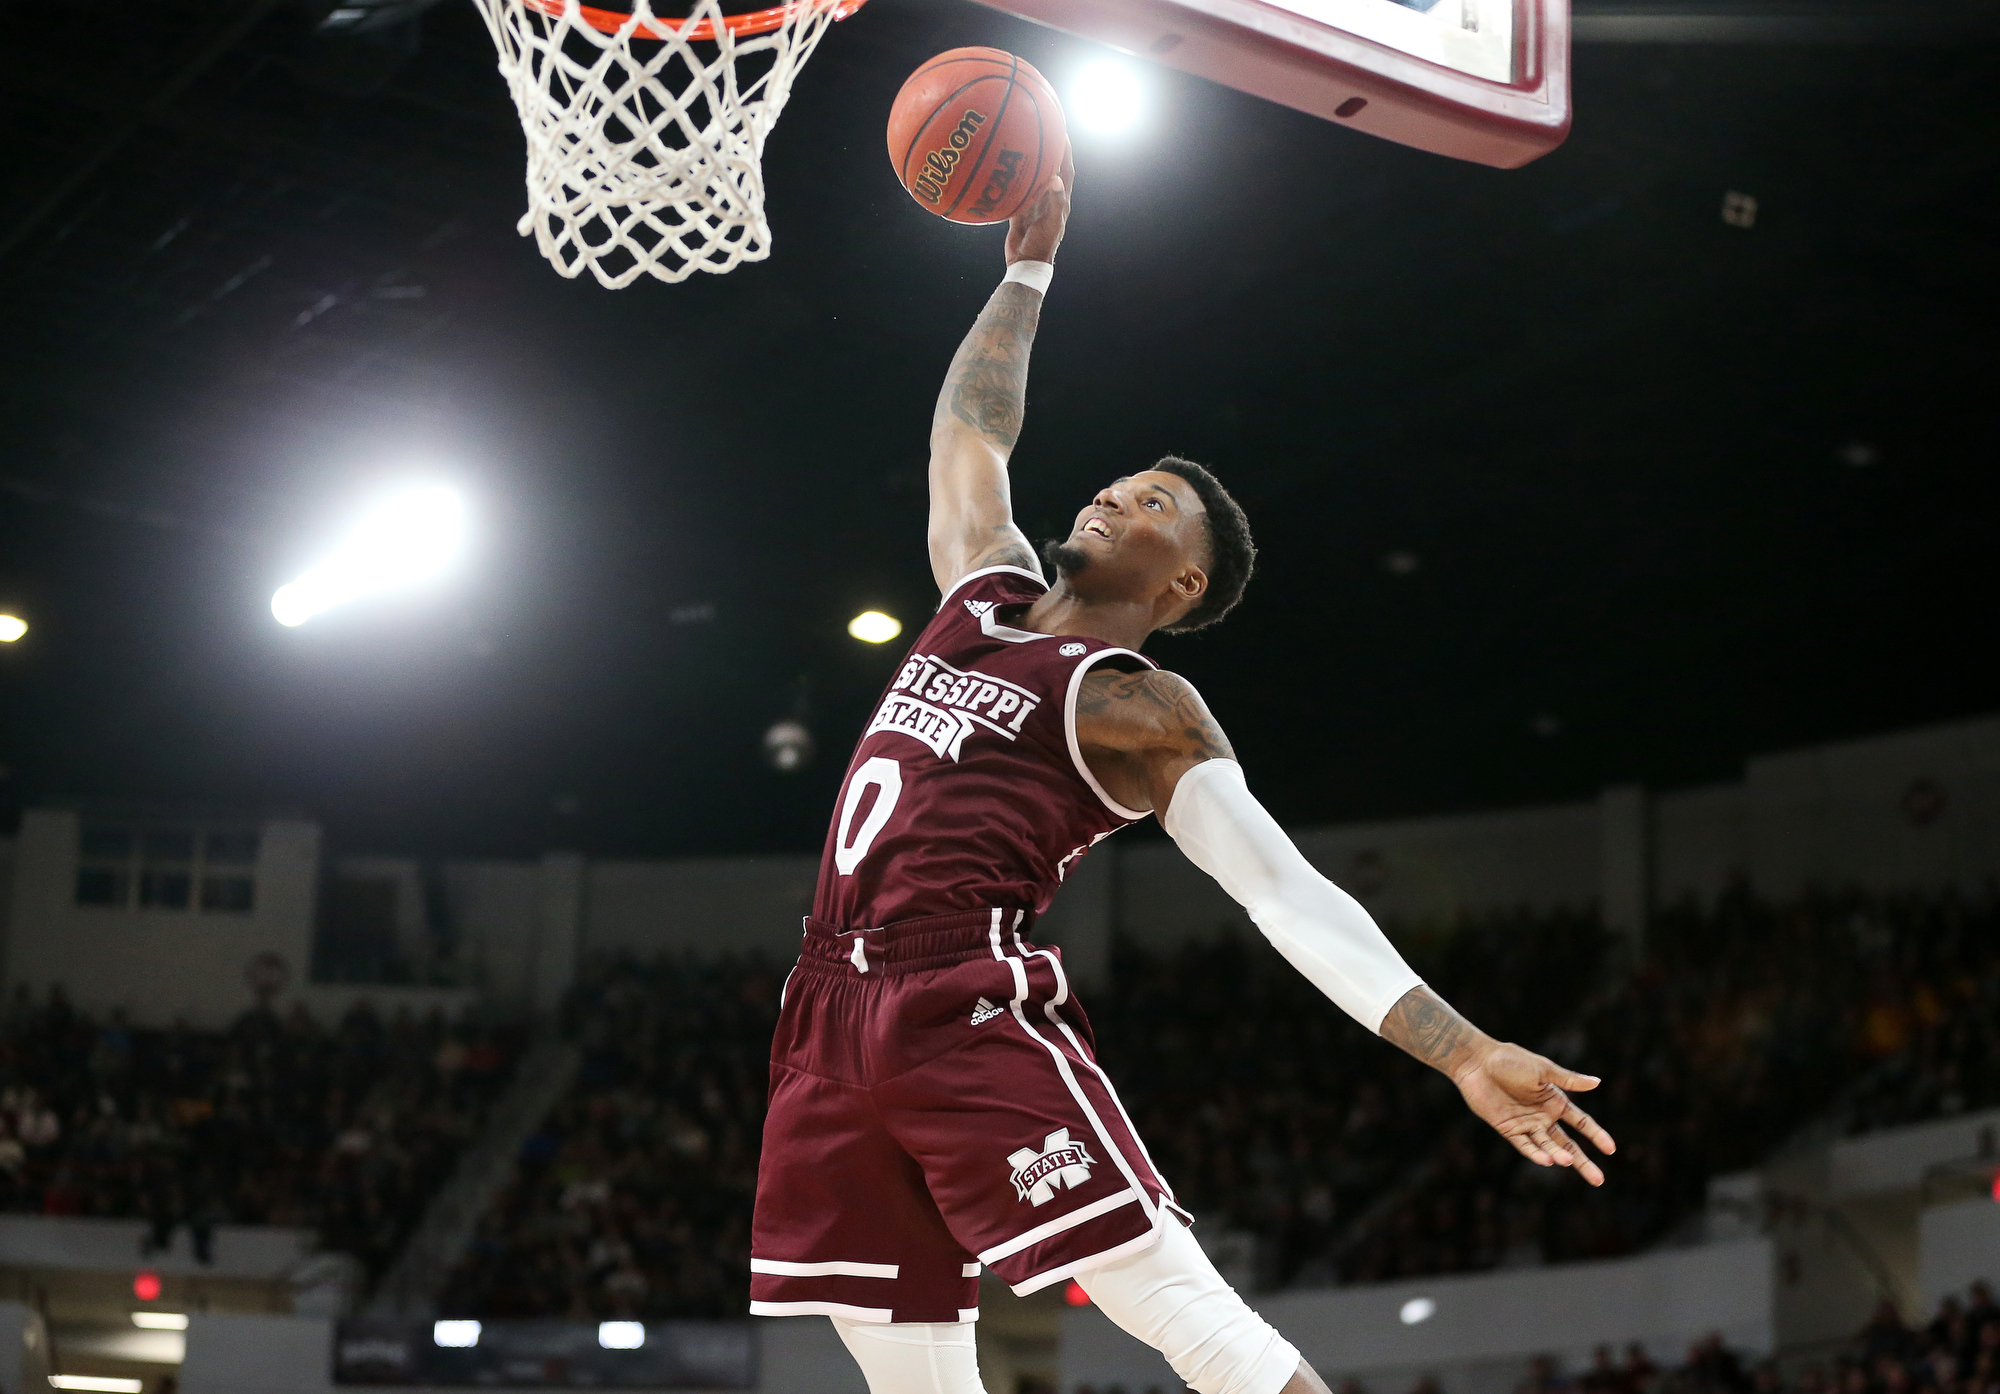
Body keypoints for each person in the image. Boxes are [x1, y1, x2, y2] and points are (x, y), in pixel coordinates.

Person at [748, 152, 1616, 1394]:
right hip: (823, 1003)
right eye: (1118, 480)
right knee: (909, 1374)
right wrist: (1028, 268)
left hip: (961, 1002)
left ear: (1180, 586)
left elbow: (1284, 892)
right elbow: (971, 429)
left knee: (1180, 1310)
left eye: (1151, 503)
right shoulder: (977, 592)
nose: (1110, 493)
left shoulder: (1141, 708)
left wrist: (1462, 1049)